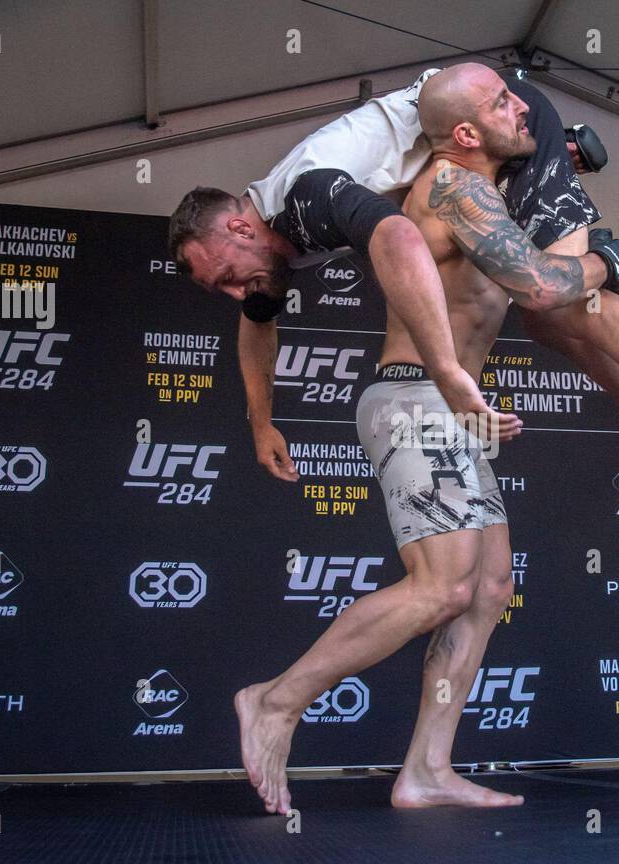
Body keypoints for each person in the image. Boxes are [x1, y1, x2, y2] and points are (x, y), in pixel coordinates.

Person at [171, 64, 619, 561]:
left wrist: (446, 369)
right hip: (463, 153)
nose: (235, 291)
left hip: (489, 109)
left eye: (226, 276)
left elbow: (397, 239)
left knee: (560, 302)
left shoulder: (301, 198)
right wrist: (260, 424)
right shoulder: (267, 254)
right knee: (548, 318)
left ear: (236, 225)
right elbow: (258, 319)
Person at [232, 77, 566, 815]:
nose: (522, 114)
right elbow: (545, 284)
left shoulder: (480, 194)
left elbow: (260, 310)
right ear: (464, 134)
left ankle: (426, 768)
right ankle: (275, 701)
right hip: (416, 397)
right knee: (443, 585)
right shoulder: (449, 187)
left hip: (449, 411)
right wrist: (604, 256)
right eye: (504, 107)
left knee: (485, 592)